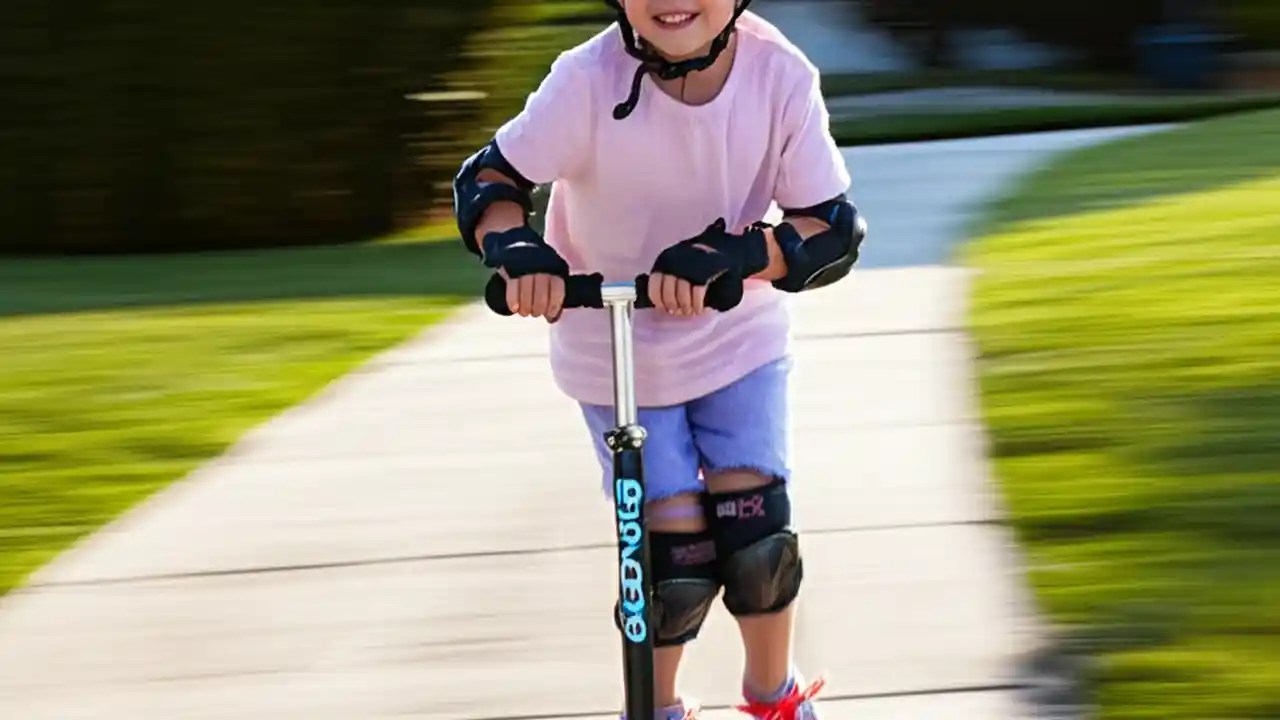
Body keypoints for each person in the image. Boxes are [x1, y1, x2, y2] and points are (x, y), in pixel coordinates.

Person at [452, 1, 866, 718]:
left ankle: (775, 696)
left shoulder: (780, 77)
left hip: (737, 337)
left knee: (756, 531)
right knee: (672, 559)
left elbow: (827, 229)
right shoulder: (585, 82)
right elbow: (491, 181)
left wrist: (738, 252)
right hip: (614, 347)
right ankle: (656, 706)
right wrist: (517, 250)